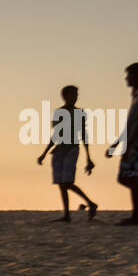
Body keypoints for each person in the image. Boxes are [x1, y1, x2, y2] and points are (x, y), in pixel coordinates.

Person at [106, 62, 138, 225]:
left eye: (129, 75)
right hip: (134, 141)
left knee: (132, 178)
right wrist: (117, 143)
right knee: (126, 178)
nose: (127, 78)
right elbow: (132, 123)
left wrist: (129, 144)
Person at [37, 84, 98, 221]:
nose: (75, 98)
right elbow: (56, 135)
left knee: (67, 182)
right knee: (61, 184)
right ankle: (67, 214)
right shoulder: (58, 113)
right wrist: (45, 153)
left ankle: (90, 203)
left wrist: (89, 157)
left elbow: (83, 134)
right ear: (65, 96)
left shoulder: (79, 113)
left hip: (72, 149)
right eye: (72, 95)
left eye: (76, 95)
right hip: (59, 150)